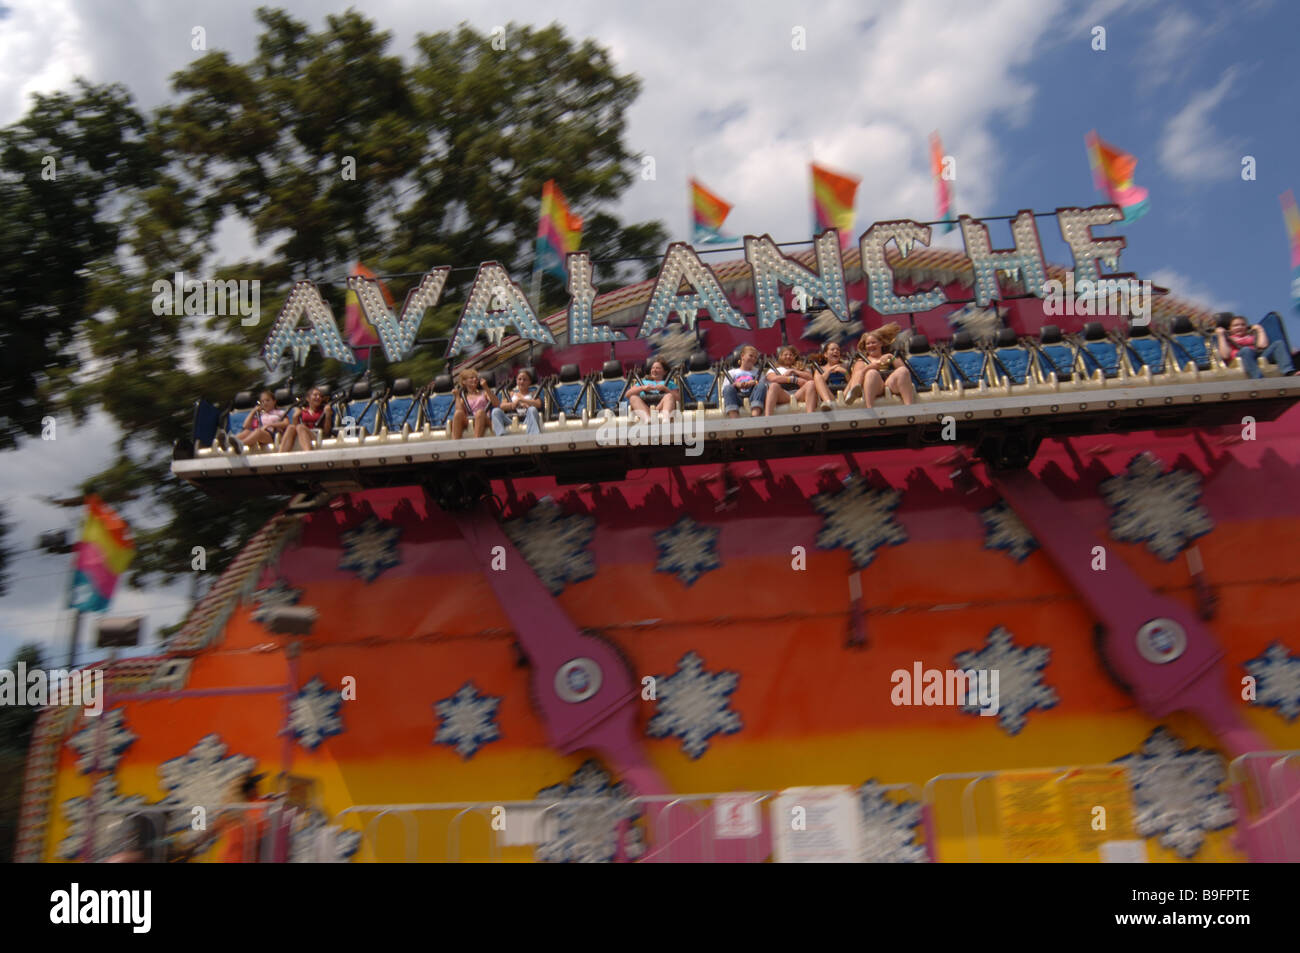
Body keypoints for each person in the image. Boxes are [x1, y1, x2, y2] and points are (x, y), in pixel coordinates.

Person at [846, 324, 915, 407]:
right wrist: (870, 367)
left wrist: (891, 357)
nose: (871, 345)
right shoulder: (861, 361)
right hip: (874, 387)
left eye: (873, 342)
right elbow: (856, 377)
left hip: (890, 385)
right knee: (872, 373)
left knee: (902, 371)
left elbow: (904, 370)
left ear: (881, 343)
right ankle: (869, 407)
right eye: (868, 344)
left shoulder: (891, 356)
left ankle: (909, 406)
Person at [1215, 315, 1296, 378]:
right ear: (1230, 328)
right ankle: (1258, 377)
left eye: (1243, 325)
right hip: (1240, 360)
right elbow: (1225, 355)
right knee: (1246, 350)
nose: (1239, 327)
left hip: (1257, 357)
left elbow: (1263, 345)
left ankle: (1288, 371)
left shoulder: (1251, 336)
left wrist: (1260, 330)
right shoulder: (1228, 339)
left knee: (1278, 343)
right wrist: (1221, 336)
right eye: (1236, 325)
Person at [762, 345, 815, 415]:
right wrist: (794, 379)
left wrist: (794, 371)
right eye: (785, 355)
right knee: (773, 386)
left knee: (811, 383)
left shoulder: (801, 368)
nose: (788, 357)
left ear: (794, 357)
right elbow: (773, 378)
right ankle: (767, 418)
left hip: (799, 393)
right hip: (783, 394)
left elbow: (810, 378)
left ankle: (810, 415)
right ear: (780, 356)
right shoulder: (774, 369)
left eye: (791, 355)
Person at [799, 340, 850, 412]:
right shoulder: (820, 369)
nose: (836, 351)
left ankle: (832, 402)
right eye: (832, 349)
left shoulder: (845, 366)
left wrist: (845, 372)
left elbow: (852, 383)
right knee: (818, 377)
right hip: (830, 396)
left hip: (844, 395)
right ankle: (828, 402)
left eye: (838, 350)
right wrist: (829, 371)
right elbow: (817, 383)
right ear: (825, 354)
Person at [279, 386, 333, 452]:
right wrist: (295, 417)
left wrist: (328, 416)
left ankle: (308, 453)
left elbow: (327, 431)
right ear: (308, 398)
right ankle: (280, 456)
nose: (318, 397)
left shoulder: (323, 410)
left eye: (320, 396)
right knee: (291, 427)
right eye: (315, 395)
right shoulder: (302, 411)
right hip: (302, 435)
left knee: (300, 427)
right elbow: (294, 429)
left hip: (317, 435)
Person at [491, 369, 543, 435]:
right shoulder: (512, 394)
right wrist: (513, 404)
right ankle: (502, 435)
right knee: (495, 411)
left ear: (529, 382)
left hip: (527, 419)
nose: (522, 382)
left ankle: (533, 435)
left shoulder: (533, 393)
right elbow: (502, 406)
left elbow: (538, 404)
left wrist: (521, 400)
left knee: (532, 409)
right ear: (516, 381)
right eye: (519, 379)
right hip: (512, 420)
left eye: (525, 379)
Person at [451, 368, 499, 439]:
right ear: (464, 381)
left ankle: (476, 443)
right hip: (470, 420)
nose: (475, 379)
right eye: (471, 378)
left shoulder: (484, 393)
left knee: (479, 413)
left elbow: (496, 404)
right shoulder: (464, 398)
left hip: (484, 418)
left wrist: (486, 387)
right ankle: (455, 443)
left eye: (476, 378)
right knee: (458, 413)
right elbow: (459, 411)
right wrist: (457, 396)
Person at [721, 345, 763, 418]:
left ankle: (755, 415)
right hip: (738, 398)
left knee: (761, 385)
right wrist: (736, 384)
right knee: (728, 389)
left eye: (755, 357)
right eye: (751, 356)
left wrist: (754, 383)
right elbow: (723, 390)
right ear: (742, 356)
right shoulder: (732, 372)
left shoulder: (758, 372)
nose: (753, 359)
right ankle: (734, 417)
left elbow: (765, 386)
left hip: (753, 397)